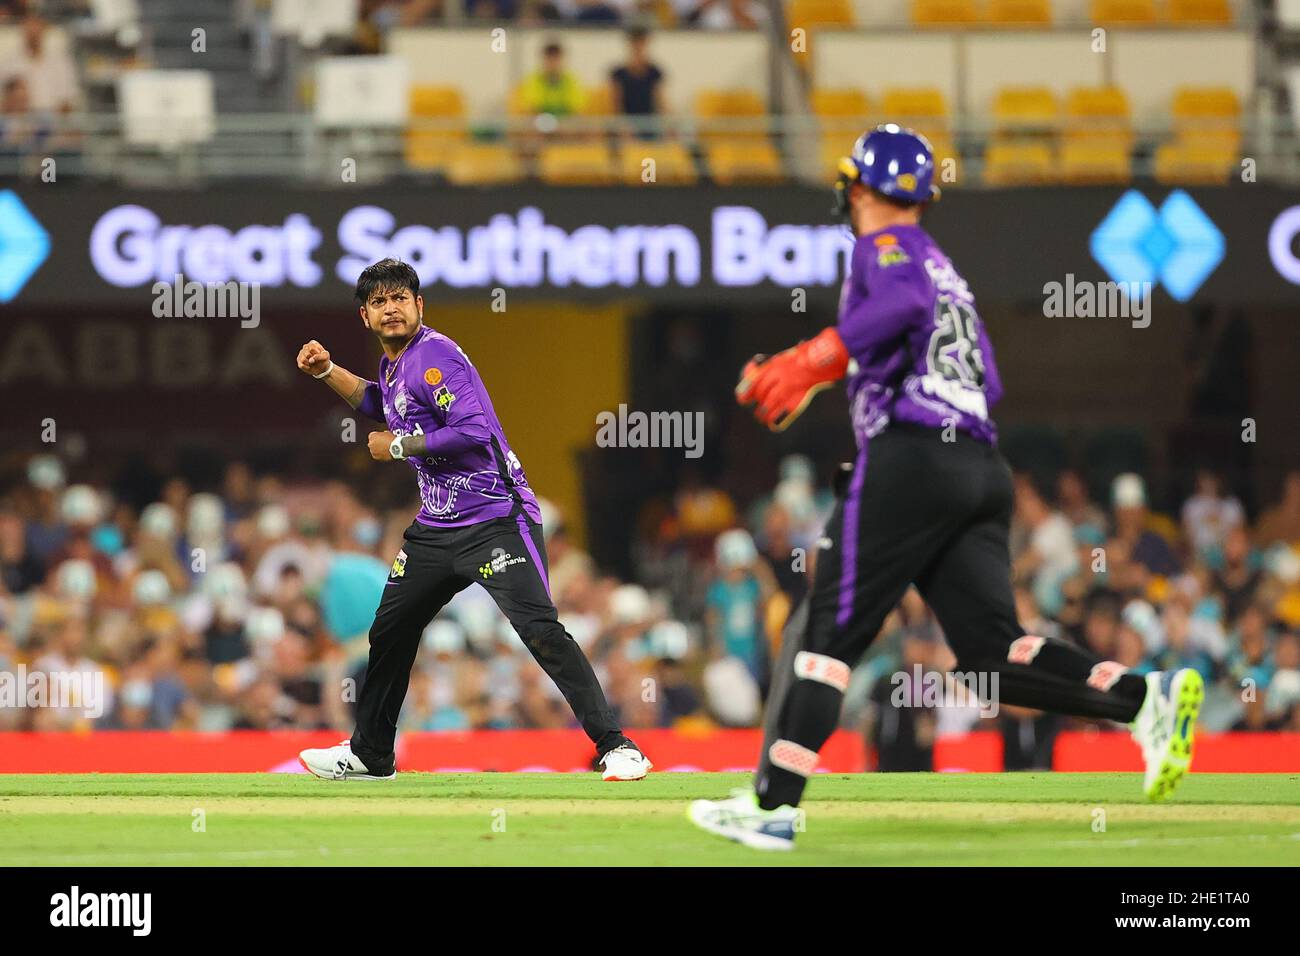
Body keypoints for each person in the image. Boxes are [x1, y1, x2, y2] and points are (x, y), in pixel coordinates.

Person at [688, 125, 1203, 850]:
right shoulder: (947, 272)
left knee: (827, 632)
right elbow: (985, 378)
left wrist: (812, 359)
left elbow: (894, 309)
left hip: (914, 457)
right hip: (980, 465)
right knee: (995, 651)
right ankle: (1144, 699)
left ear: (859, 188)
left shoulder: (885, 247)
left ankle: (773, 805)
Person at [295, 258, 649, 781]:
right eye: (378, 302)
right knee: (390, 630)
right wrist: (328, 372)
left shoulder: (435, 355)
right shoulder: (396, 365)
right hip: (437, 529)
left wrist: (394, 447)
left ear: (419, 305)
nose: (390, 308)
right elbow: (382, 402)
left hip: (496, 520)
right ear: (365, 317)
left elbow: (472, 431)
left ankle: (618, 746)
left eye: (400, 298)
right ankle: (371, 753)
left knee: (539, 629)